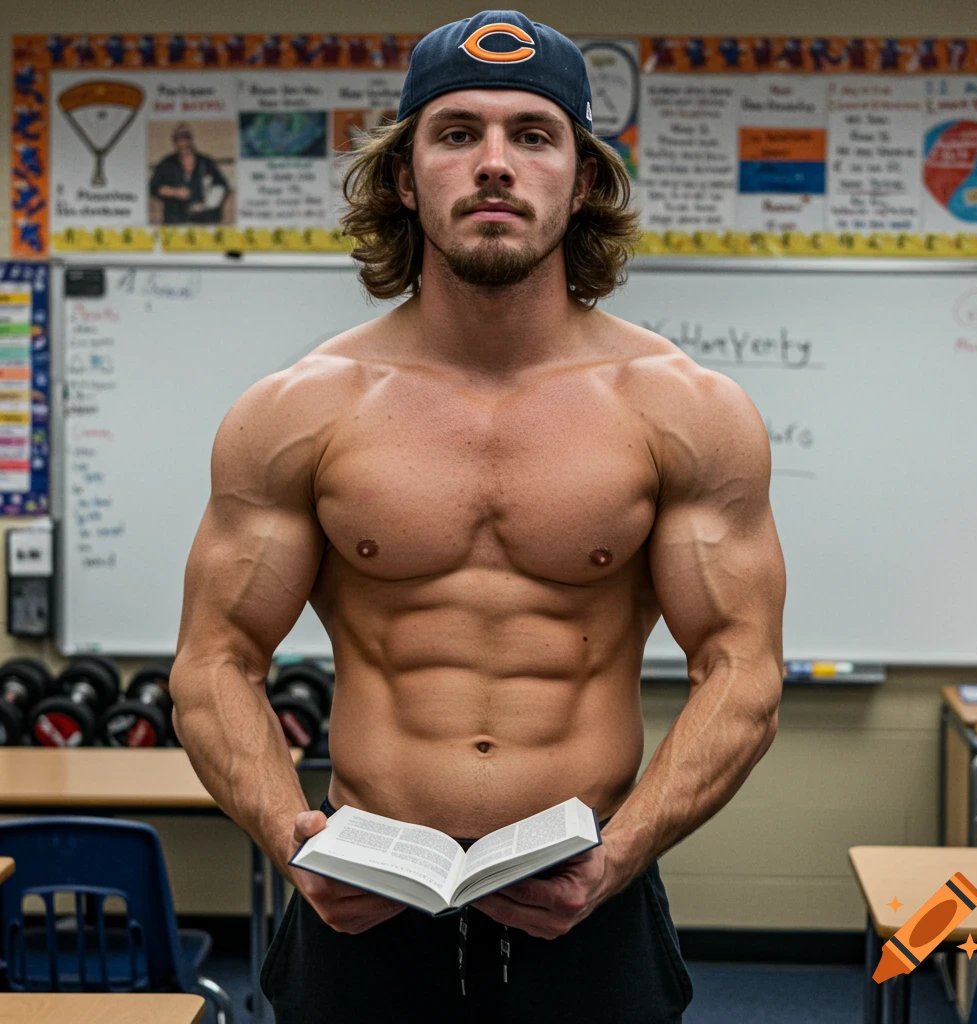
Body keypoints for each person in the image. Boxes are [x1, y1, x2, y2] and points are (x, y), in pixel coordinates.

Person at [170, 10, 785, 1023]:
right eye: (456, 133)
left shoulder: (683, 411)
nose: (493, 163)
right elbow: (213, 658)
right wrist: (292, 836)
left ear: (581, 179)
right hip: (359, 895)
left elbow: (743, 667)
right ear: (406, 179)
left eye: (531, 135)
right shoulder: (300, 410)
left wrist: (619, 856)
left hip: (589, 892)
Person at [148, 123, 229, 225]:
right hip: (175, 220)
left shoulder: (205, 162)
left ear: (190, 138)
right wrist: (174, 192)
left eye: (185, 136)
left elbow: (222, 186)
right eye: (178, 137)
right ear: (174, 141)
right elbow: (153, 187)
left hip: (203, 221)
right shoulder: (166, 164)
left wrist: (207, 204)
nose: (182, 140)